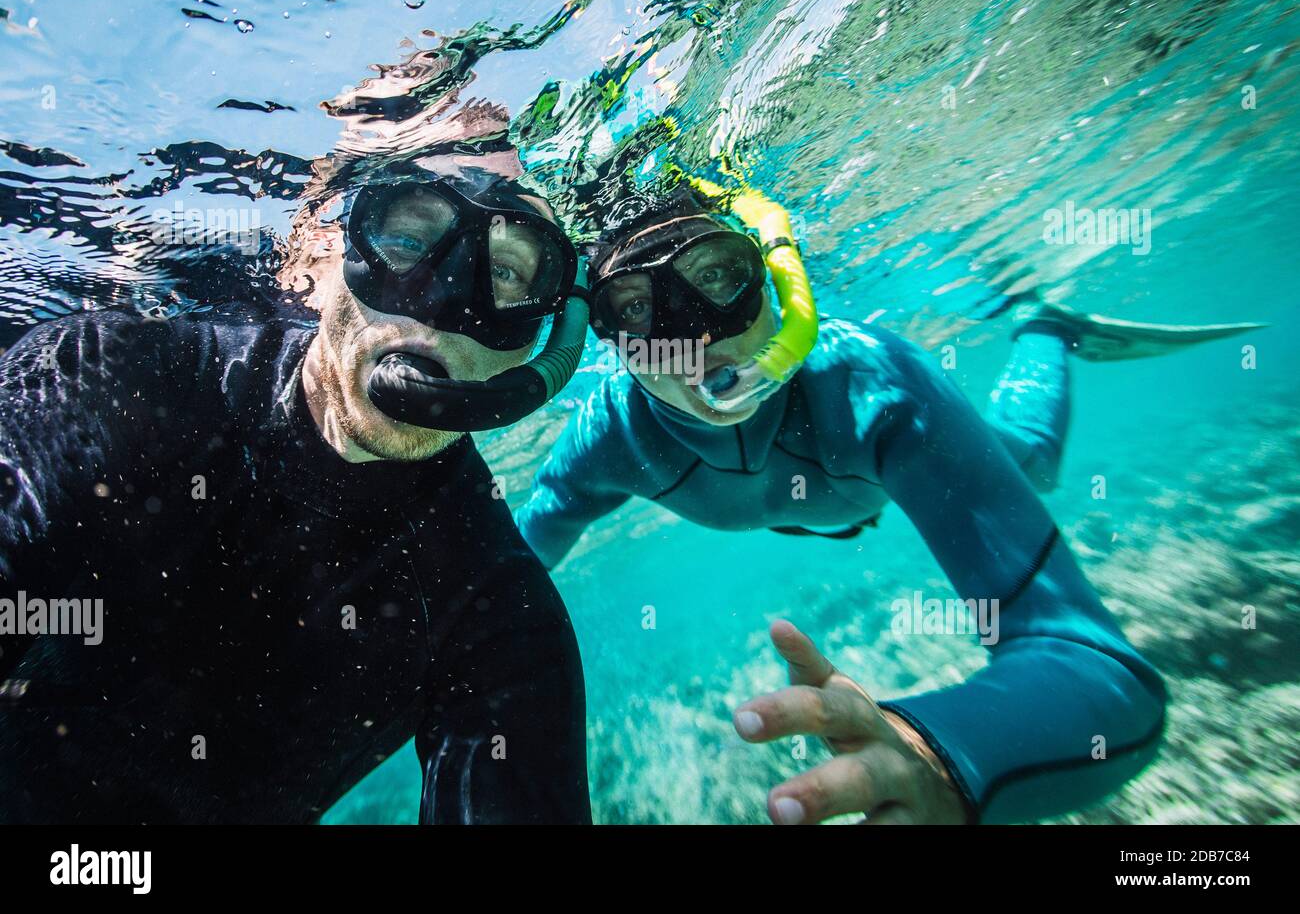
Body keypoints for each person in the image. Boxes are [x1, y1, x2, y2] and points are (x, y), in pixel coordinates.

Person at [516, 178, 1261, 825]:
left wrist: (942, 752)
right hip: (841, 496)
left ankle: (1045, 328)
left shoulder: (873, 387)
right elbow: (502, 581)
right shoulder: (609, 436)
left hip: (879, 473)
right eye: (639, 310)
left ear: (777, 279)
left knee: (1028, 462)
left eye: (718, 276)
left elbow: (1107, 676)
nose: (695, 336)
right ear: (607, 339)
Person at [0, 139, 595, 824]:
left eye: (512, 273)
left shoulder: (494, 608)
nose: (444, 303)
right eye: (406, 235)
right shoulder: (117, 380)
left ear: (546, 338)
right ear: (319, 251)